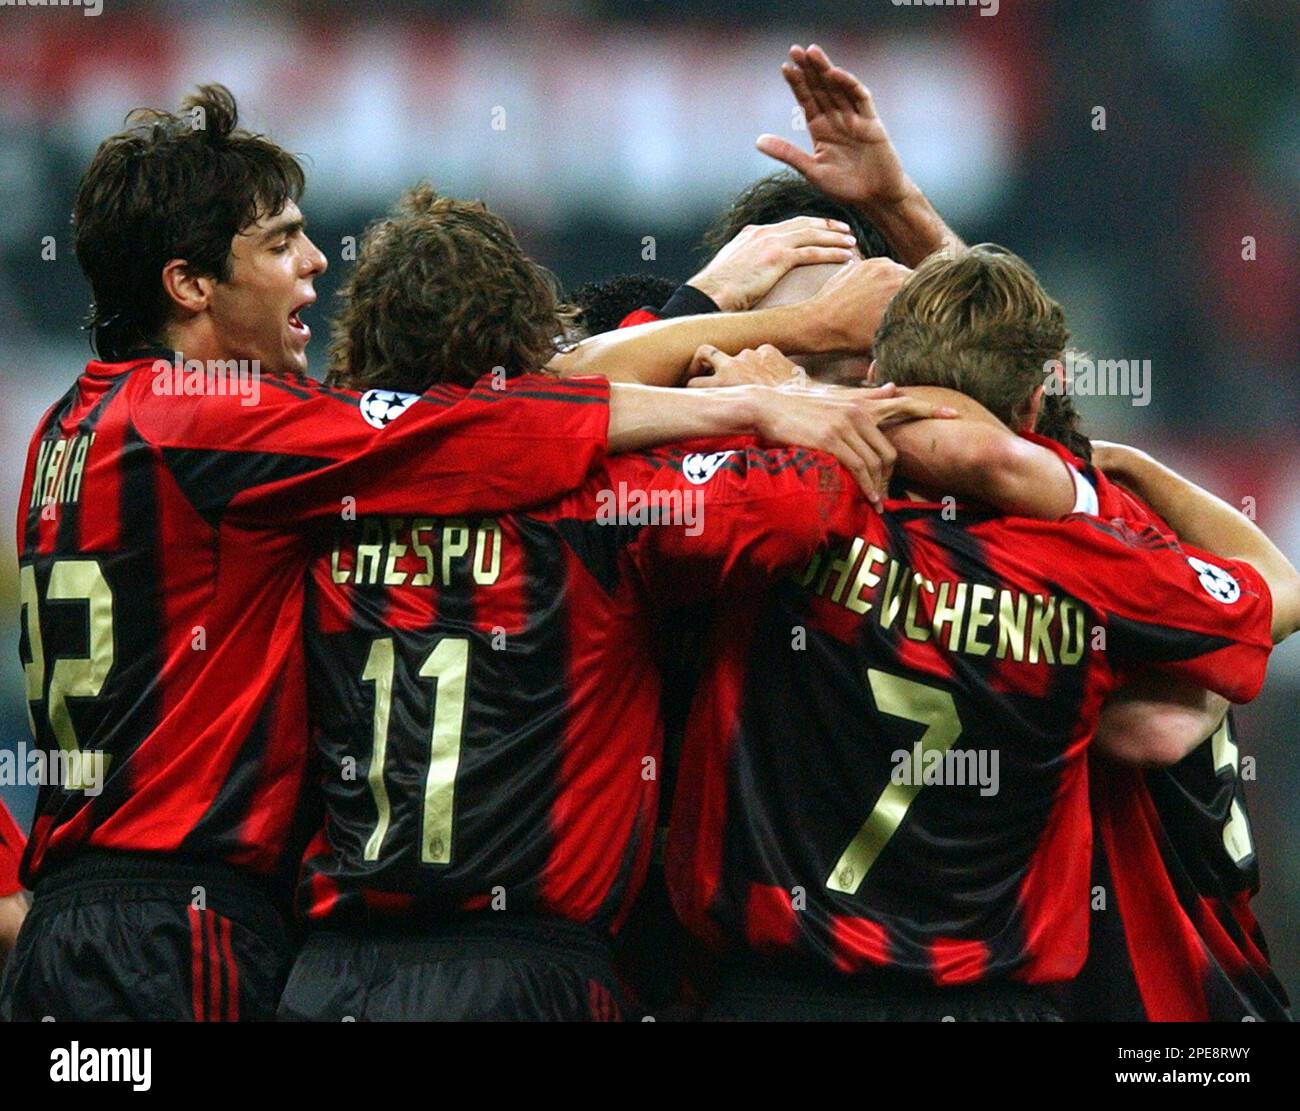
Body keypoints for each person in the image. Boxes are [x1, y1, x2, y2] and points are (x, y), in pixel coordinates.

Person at [0, 83, 900, 1023]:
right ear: (188, 285)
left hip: (109, 919)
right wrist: (764, 378)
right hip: (180, 937)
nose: (314, 262)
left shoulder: (71, 424)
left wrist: (698, 312)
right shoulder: (211, 419)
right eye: (277, 244)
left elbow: (468, 409)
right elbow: (480, 421)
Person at [279, 184, 958, 1020]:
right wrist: (784, 399)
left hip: (332, 971)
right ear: (530, 346)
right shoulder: (597, 503)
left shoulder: (316, 513)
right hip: (527, 971)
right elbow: (786, 510)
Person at [664, 246, 1300, 1021]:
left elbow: (572, 388)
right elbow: (1274, 592)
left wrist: (763, 393)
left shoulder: (791, 501)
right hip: (986, 1001)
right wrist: (1114, 470)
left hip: (772, 991)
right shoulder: (1088, 568)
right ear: (1032, 411)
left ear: (873, 375)